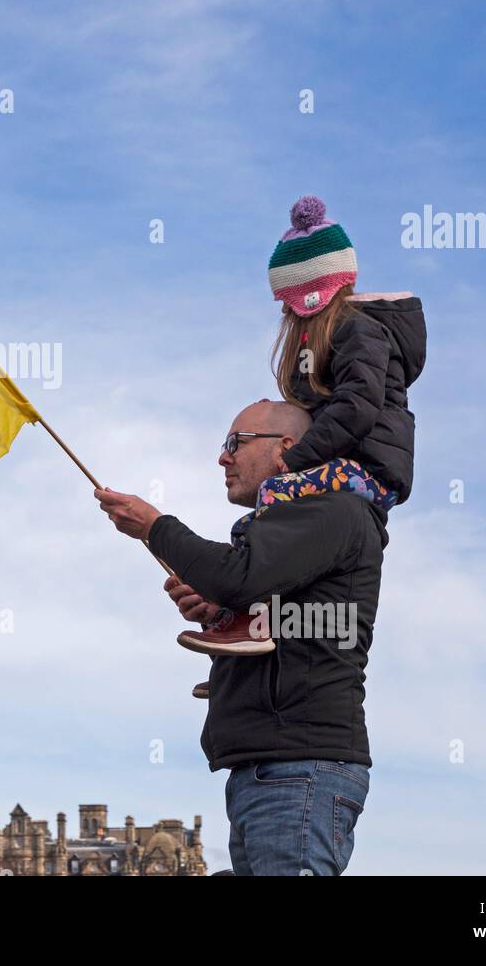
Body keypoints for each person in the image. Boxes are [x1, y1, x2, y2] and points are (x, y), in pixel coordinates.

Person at [94, 398, 387, 875]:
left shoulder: (327, 510)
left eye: (236, 443)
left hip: (296, 769)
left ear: (285, 449)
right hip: (272, 771)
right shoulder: (301, 522)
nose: (223, 458)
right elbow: (281, 620)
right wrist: (219, 614)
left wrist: (155, 528)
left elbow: (239, 576)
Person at [182, 196, 425, 688]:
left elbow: (357, 408)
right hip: (346, 463)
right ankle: (241, 644)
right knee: (280, 533)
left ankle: (246, 624)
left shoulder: (360, 331)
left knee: (275, 497)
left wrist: (292, 458)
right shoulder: (323, 340)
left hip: (370, 469)